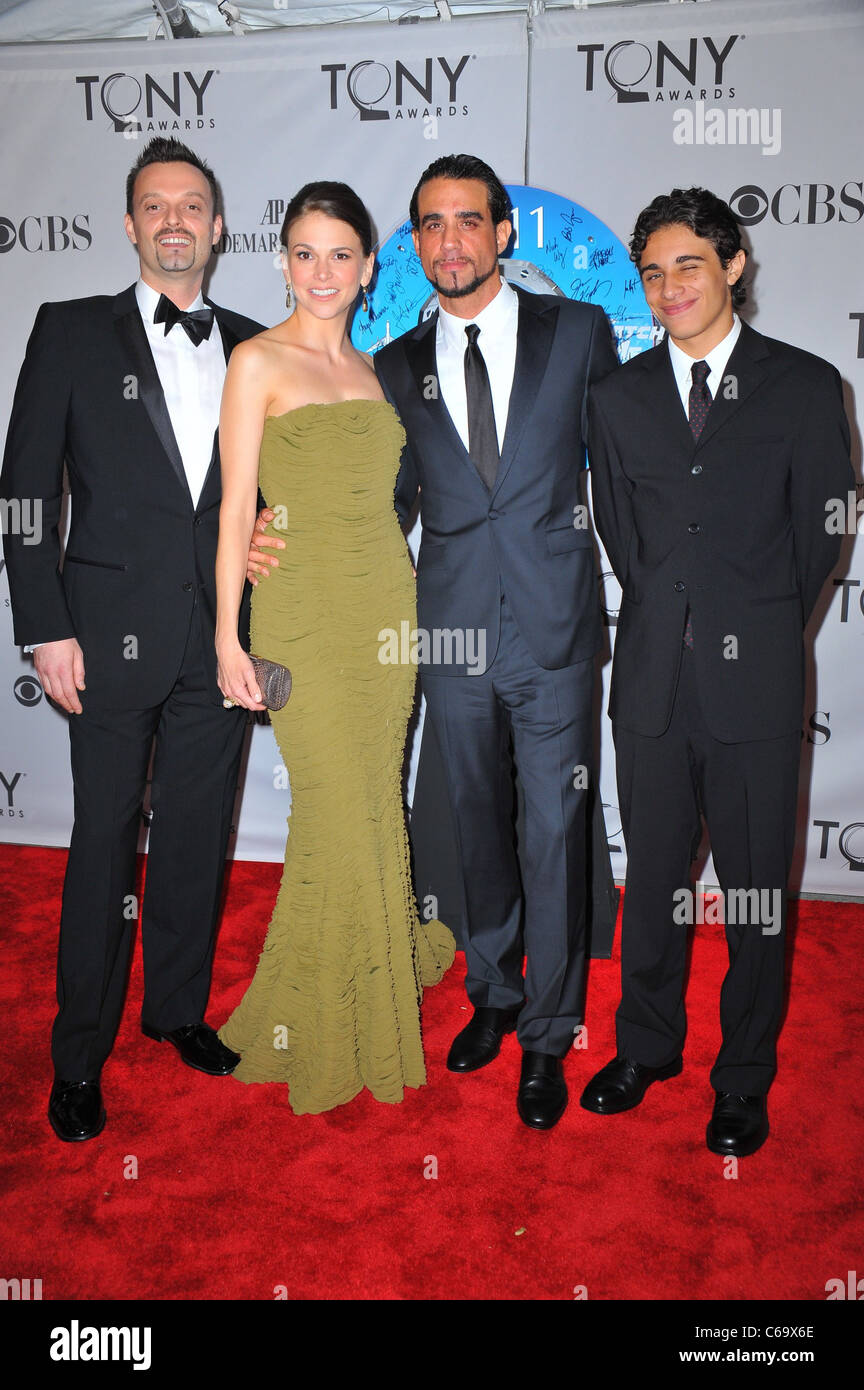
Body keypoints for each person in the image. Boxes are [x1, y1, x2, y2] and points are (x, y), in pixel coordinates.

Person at [249, 154, 618, 1130]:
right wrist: (266, 529)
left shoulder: (577, 334)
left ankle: (548, 1034)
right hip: (443, 632)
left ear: (503, 233)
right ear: (412, 246)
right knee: (475, 822)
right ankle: (493, 990)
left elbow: (626, 473)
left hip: (554, 630)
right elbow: (372, 497)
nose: (449, 241)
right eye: (430, 225)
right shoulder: (395, 365)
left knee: (551, 829)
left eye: (468, 221)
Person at [0, 137, 264, 1141]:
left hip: (221, 640)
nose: (173, 218)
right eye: (154, 204)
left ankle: (178, 1011)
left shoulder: (253, 341)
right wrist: (44, 627)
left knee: (199, 831)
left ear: (217, 224)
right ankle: (78, 1057)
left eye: (190, 203)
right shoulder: (69, 331)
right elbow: (26, 493)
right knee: (104, 841)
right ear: (128, 224)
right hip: (101, 637)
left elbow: (260, 498)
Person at [582, 187, 854, 1156]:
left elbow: (823, 534)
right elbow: (622, 534)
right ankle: (647, 1048)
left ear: (733, 265)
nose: (669, 287)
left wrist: (751, 627)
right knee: (650, 882)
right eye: (652, 273)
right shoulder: (616, 399)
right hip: (651, 686)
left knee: (754, 894)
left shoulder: (807, 385)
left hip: (757, 687)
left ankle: (742, 1076)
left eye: (688, 265)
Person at [214, 181, 454, 1116]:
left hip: (386, 607)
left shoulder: (372, 373)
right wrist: (227, 635)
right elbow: (237, 509)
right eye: (305, 253)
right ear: (283, 261)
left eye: (340, 255)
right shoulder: (256, 362)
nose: (322, 271)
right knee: (333, 800)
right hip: (300, 613)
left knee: (365, 801)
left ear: (366, 268)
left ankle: (362, 985)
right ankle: (334, 1020)